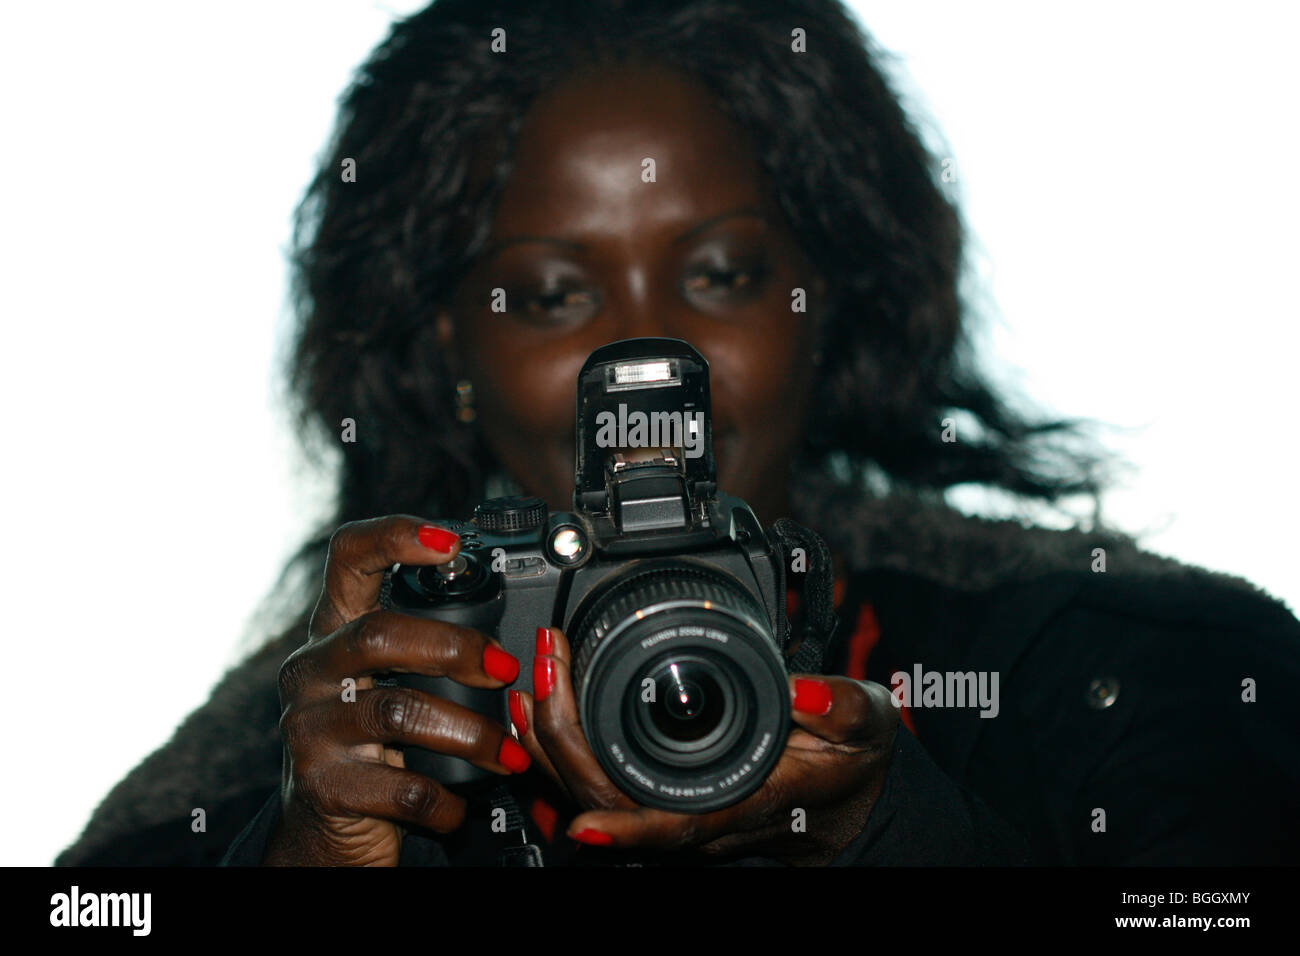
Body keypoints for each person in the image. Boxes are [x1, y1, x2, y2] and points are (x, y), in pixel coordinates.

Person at [57, 0, 1300, 867]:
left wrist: (894, 838)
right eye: (551, 293)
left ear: (829, 299)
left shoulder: (1126, 677)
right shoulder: (316, 753)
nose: (648, 367)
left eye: (719, 275)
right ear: (447, 349)